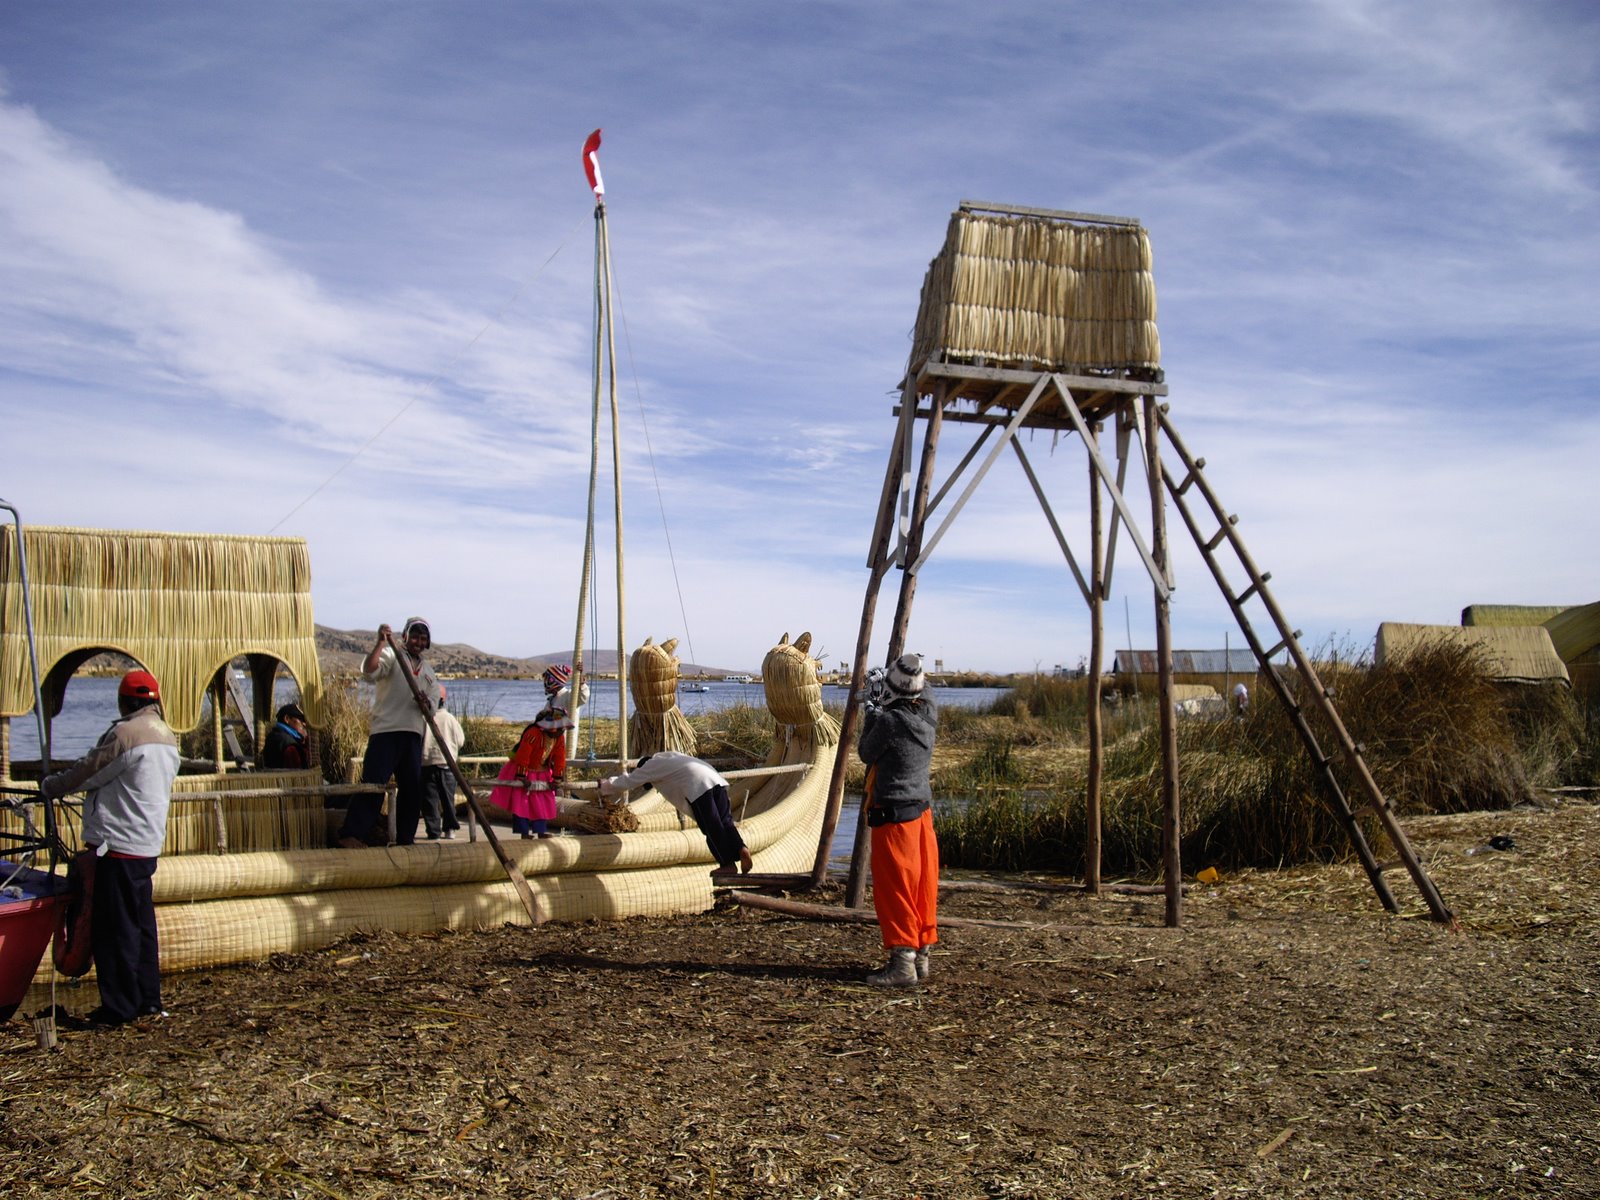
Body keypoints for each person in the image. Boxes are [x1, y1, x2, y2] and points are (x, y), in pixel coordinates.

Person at [40, 669, 180, 1026]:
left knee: (114, 929)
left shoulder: (124, 735)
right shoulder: (167, 735)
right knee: (141, 927)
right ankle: (149, 1001)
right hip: (146, 844)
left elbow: (89, 772)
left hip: (116, 845)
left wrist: (51, 786)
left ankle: (119, 1008)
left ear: (125, 702)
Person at [857, 652, 939, 987]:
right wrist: (900, 677)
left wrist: (871, 710)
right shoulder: (929, 712)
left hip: (893, 817)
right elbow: (922, 687)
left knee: (896, 890)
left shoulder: (890, 723)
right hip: (921, 814)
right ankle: (922, 956)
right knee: (921, 887)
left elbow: (865, 751)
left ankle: (903, 964)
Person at [338, 617, 439, 848]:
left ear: (427, 642)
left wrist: (425, 703)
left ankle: (406, 839)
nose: (418, 642)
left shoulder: (429, 673)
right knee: (374, 784)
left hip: (413, 735)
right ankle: (351, 834)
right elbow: (369, 672)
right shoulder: (392, 655)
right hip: (386, 732)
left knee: (411, 789)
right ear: (405, 637)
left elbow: (432, 707)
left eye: (423, 639)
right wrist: (380, 643)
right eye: (415, 637)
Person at [598, 750, 753, 874]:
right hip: (715, 780)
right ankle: (741, 848)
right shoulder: (670, 757)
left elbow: (629, 781)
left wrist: (605, 785)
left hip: (698, 786)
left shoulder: (651, 766)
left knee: (712, 827)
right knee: (726, 822)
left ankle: (727, 865)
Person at [491, 705, 570, 838]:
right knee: (522, 802)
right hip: (525, 770)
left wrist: (557, 779)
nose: (559, 731)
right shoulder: (533, 733)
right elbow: (523, 754)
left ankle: (540, 831)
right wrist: (522, 776)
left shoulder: (559, 737)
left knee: (542, 802)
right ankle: (524, 832)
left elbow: (560, 758)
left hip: (543, 772)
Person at [421, 686, 465, 839]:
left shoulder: (424, 718)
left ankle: (433, 831)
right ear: (443, 700)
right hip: (446, 765)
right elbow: (460, 740)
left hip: (427, 763)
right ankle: (450, 829)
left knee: (430, 801)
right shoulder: (449, 718)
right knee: (448, 799)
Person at [260, 702, 310, 769]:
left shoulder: (273, 736)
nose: (304, 724)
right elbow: (298, 772)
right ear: (287, 719)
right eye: (301, 719)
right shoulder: (291, 747)